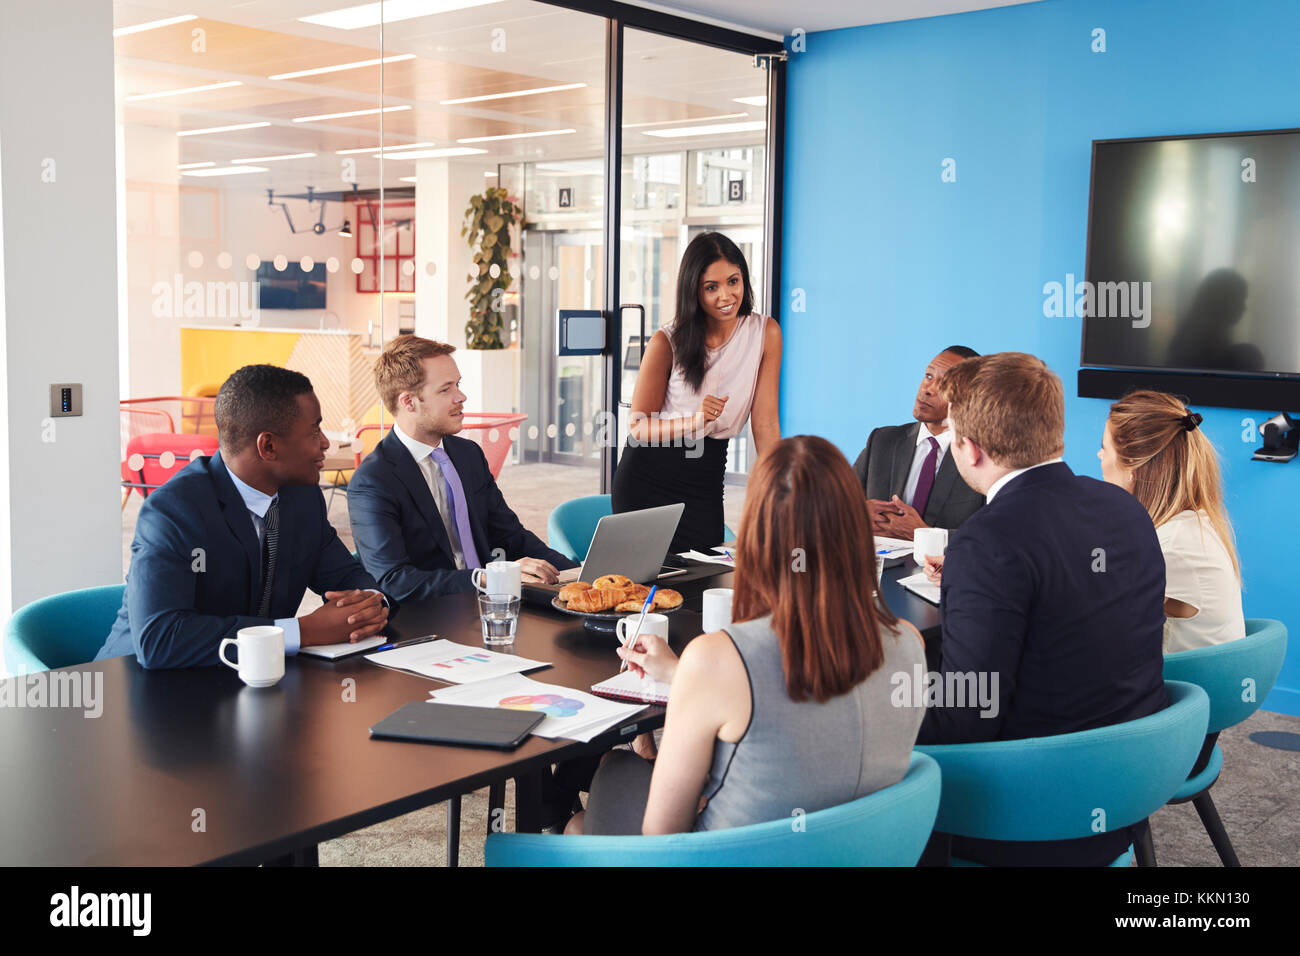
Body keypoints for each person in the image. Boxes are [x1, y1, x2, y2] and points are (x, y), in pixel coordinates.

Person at [567, 435, 926, 836]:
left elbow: (662, 837)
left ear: (755, 535)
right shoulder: (910, 643)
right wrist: (682, 673)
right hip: (866, 850)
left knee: (605, 787)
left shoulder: (719, 658)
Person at [915, 352, 1167, 866]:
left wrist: (875, 708)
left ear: (969, 447)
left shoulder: (988, 542)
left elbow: (966, 720)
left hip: (1029, 817)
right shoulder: (1125, 508)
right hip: (1127, 794)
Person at [96, 365, 391, 669]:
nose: (326, 443)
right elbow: (160, 639)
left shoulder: (301, 497)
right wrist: (302, 631)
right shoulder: (173, 512)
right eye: (315, 431)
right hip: (141, 689)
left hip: (247, 683)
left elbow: (346, 576)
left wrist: (370, 605)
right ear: (269, 446)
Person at [348, 335, 577, 603]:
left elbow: (511, 536)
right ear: (408, 402)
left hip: (489, 606)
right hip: (429, 618)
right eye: (446, 390)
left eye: (458, 385)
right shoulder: (373, 480)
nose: (461, 396)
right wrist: (482, 578)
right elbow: (393, 581)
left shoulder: (467, 454)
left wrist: (580, 573)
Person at [611, 232, 782, 554]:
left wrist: (779, 487)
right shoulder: (667, 341)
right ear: (694, 291)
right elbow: (638, 425)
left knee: (703, 583)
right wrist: (695, 421)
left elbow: (766, 424)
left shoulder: (765, 333)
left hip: (706, 476)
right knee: (644, 587)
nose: (726, 295)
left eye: (733, 281)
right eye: (711, 287)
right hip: (647, 477)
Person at [1100, 390, 1245, 653]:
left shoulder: (1171, 546)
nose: (1100, 457)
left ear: (1132, 470)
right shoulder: (1190, 525)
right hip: (1199, 685)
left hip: (1185, 690)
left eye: (1104, 448)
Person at [854, 346, 984, 540]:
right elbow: (834, 505)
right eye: (929, 376)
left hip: (946, 569)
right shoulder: (882, 441)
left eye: (945, 385)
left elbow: (991, 537)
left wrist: (925, 535)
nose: (928, 389)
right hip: (877, 568)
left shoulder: (983, 457)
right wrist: (856, 513)